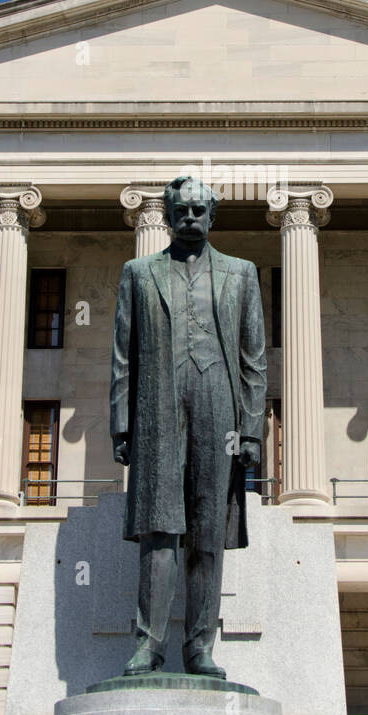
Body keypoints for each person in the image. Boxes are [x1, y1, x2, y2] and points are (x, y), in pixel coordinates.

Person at [110, 176, 266, 679]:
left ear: (212, 215)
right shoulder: (138, 273)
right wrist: (121, 423)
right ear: (169, 213)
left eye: (200, 209)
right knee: (159, 529)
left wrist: (251, 430)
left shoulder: (241, 274)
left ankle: (200, 646)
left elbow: (253, 360)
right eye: (182, 209)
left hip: (218, 404)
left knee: (206, 531)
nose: (191, 217)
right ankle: (148, 645)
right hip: (157, 404)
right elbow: (123, 357)